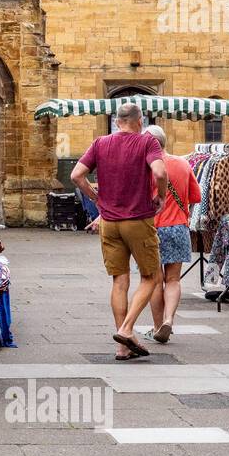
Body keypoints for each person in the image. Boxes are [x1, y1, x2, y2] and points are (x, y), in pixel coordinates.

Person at [70, 102, 169, 361]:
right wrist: (162, 196)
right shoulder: (147, 143)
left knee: (119, 281)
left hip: (109, 222)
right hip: (138, 219)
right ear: (140, 122)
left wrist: (96, 199)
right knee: (152, 278)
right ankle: (126, 329)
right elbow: (159, 170)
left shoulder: (100, 143)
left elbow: (77, 175)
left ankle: (122, 347)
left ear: (117, 122)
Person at [139, 125, 201, 345]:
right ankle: (168, 320)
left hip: (152, 228)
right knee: (173, 279)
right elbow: (196, 196)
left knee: (154, 281)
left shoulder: (145, 168)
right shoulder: (183, 164)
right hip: (178, 227)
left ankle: (157, 328)